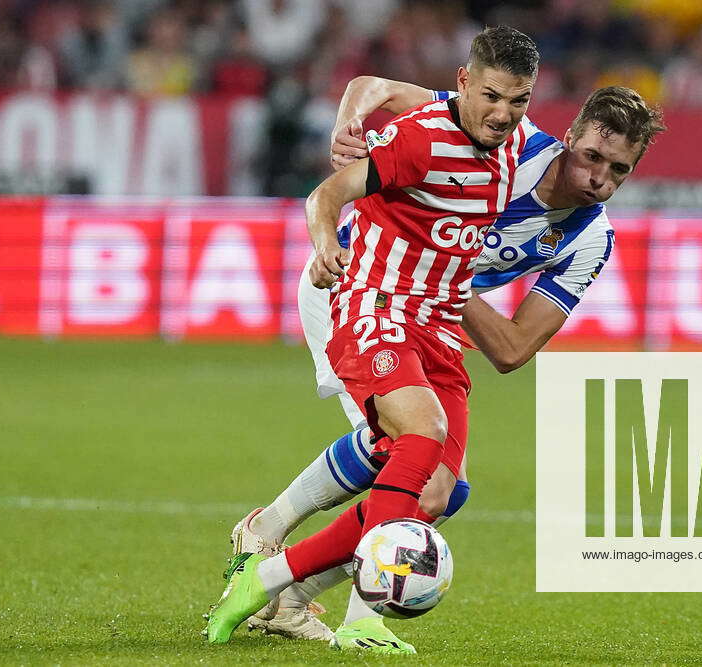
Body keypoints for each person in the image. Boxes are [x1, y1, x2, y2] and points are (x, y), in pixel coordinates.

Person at [223, 78, 666, 654]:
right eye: (591, 157)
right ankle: (282, 556)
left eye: (618, 170)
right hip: (358, 285)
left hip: (430, 314)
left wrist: (448, 279)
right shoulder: (507, 141)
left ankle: (289, 585)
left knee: (439, 495)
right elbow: (375, 87)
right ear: (568, 138)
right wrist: (346, 128)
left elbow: (512, 349)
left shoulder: (589, 241)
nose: (599, 179)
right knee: (407, 451)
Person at [203, 25, 541, 652]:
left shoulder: (518, 140)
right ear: (464, 82)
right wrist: (326, 244)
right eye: (492, 96)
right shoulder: (422, 138)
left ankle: (268, 578)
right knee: (419, 434)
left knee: (438, 492)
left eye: (518, 100)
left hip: (438, 325)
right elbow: (327, 193)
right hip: (375, 307)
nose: (502, 114)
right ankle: (361, 617)